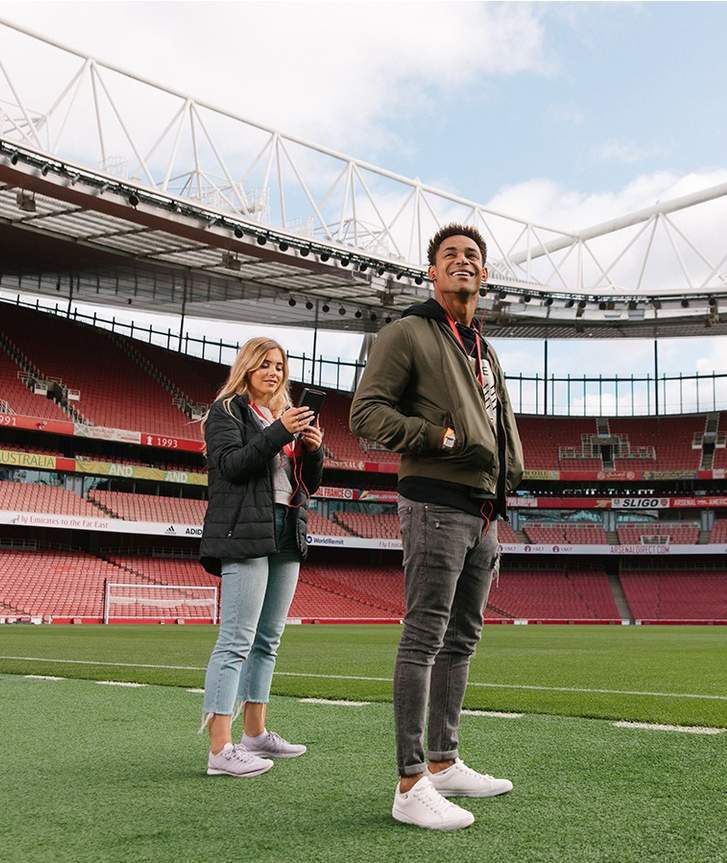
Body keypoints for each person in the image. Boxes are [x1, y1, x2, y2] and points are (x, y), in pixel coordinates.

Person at [350, 224, 525, 830]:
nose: (462, 262)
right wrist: (439, 437)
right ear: (431, 272)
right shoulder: (407, 332)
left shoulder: (484, 346)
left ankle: (446, 761)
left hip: (482, 508)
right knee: (424, 635)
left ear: (484, 275)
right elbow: (366, 411)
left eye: (472, 256)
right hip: (434, 503)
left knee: (462, 639)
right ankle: (409, 782)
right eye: (449, 255)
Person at [196, 336, 325, 777]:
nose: (274, 371)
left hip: (287, 528)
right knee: (236, 639)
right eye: (265, 364)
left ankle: (255, 733)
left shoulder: (280, 417)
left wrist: (312, 449)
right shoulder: (226, 411)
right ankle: (220, 748)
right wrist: (279, 432)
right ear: (247, 368)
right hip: (246, 530)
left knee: (268, 640)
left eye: (279, 365)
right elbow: (231, 466)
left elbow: (309, 483)